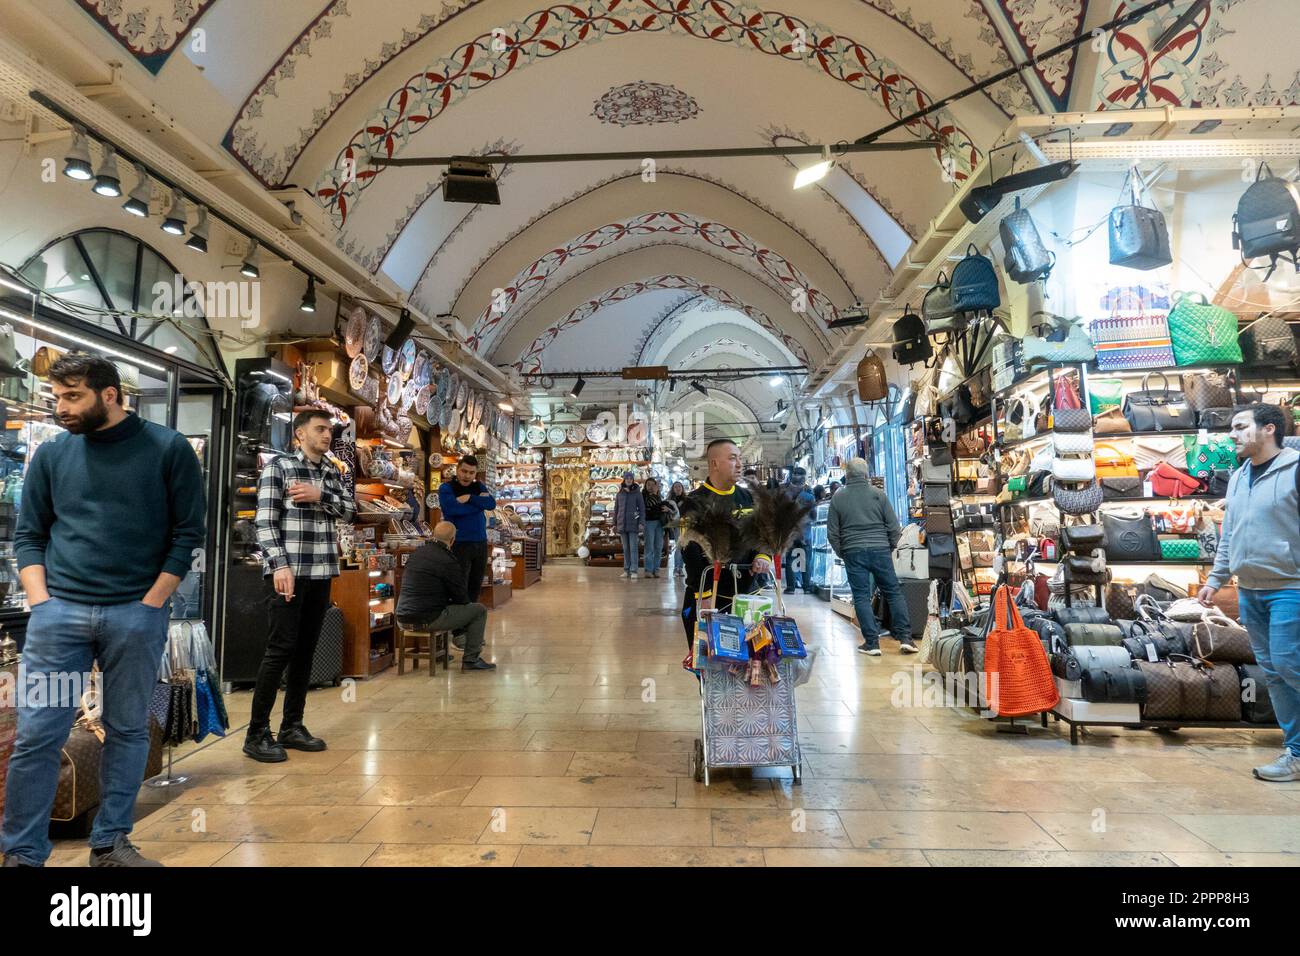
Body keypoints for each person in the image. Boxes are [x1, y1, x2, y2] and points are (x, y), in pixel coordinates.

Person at [2, 354, 206, 868]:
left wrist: (151, 602)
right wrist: (42, 603)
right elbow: (29, 536)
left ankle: (110, 843)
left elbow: (188, 535)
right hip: (58, 616)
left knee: (129, 728)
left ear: (110, 395)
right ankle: (23, 855)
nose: (60, 407)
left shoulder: (168, 449)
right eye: (57, 397)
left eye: (73, 396)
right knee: (36, 734)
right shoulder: (51, 455)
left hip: (135, 615)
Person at [245, 409, 356, 763]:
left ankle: (292, 725)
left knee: (307, 650)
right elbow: (263, 523)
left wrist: (319, 495)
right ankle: (257, 732)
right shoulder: (277, 468)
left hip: (321, 571)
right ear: (299, 434)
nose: (327, 435)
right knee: (280, 650)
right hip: (287, 573)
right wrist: (278, 565)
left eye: (330, 430)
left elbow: (351, 511)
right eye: (320, 429)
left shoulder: (330, 472)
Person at [1198, 405, 1300, 782]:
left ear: (1268, 429)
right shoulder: (1239, 477)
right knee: (1273, 672)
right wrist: (1215, 579)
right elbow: (1230, 535)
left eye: (1241, 427)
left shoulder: (1295, 469)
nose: (1232, 434)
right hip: (1251, 590)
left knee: (1290, 664)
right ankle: (1296, 752)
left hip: (1291, 586)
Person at [680, 439, 772, 646]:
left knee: (749, 661)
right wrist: (703, 594)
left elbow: (762, 534)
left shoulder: (748, 498)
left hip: (748, 597)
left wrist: (762, 555)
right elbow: (691, 551)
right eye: (732, 458)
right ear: (714, 464)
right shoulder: (695, 502)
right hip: (711, 595)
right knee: (710, 663)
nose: (739, 464)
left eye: (740, 458)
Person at [828, 458, 914, 656]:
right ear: (866, 475)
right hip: (880, 550)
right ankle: (906, 639)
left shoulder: (838, 497)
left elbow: (832, 533)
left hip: (853, 551)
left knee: (861, 596)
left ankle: (872, 643)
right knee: (893, 592)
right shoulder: (879, 495)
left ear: (847, 475)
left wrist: (844, 551)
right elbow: (894, 527)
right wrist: (889, 546)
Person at [397, 521, 495, 670]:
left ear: (433, 535)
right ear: (452, 540)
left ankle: (439, 652)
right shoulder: (448, 561)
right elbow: (461, 598)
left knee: (436, 606)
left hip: (402, 617)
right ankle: (471, 659)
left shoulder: (417, 553)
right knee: (479, 610)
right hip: (427, 619)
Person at [437, 455, 496, 649]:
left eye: (471, 472)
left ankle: (471, 631)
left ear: (475, 473)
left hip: (480, 542)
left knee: (474, 587)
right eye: (464, 471)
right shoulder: (447, 488)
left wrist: (470, 498)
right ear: (457, 469)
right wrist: (477, 505)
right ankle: (458, 633)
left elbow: (491, 504)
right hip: (458, 543)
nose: (467, 476)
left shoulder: (479, 488)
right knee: (459, 588)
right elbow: (451, 509)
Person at [782, 467, 816, 594]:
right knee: (805, 559)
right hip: (805, 532)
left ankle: (791, 587)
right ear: (804, 477)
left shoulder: (785, 494)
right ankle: (806, 587)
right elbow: (814, 515)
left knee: (790, 559)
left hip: (790, 532)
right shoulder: (808, 495)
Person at [614, 471, 645, 580]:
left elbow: (641, 509)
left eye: (630, 478)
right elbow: (616, 509)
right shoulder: (619, 493)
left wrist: (641, 522)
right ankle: (626, 570)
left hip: (633, 524)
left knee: (633, 548)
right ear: (624, 479)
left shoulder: (637, 493)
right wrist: (615, 523)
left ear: (632, 480)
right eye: (627, 478)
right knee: (625, 548)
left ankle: (634, 570)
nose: (628, 480)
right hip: (622, 524)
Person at [642, 477, 667, 578]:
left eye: (653, 484)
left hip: (659, 523)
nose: (651, 487)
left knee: (658, 547)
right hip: (649, 523)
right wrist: (656, 495)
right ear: (646, 486)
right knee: (649, 547)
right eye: (649, 485)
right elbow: (650, 504)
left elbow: (659, 507)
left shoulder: (658, 495)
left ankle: (656, 569)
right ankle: (648, 570)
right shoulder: (643, 496)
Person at [668, 480, 688, 577]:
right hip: (676, 525)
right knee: (679, 546)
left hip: (685, 524)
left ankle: (680, 568)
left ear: (682, 488)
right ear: (673, 489)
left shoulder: (686, 499)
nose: (678, 488)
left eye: (679, 486)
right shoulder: (670, 500)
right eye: (676, 487)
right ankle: (677, 568)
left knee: (683, 547)